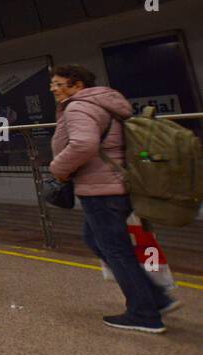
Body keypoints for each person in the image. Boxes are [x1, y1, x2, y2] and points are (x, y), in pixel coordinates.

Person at [49, 64, 178, 333]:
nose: (54, 89)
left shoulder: (79, 107)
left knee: (115, 249)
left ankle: (144, 313)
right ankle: (156, 298)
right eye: (53, 84)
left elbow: (84, 144)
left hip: (102, 190)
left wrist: (57, 168)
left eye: (59, 83)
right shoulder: (105, 104)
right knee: (95, 240)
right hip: (118, 184)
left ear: (77, 85)